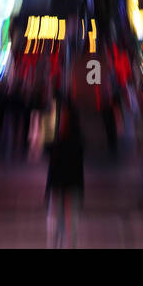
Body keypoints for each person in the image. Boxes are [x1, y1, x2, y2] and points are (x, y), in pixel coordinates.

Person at [45, 99, 83, 248]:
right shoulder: (73, 139)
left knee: (63, 221)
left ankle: (62, 245)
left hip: (65, 183)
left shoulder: (67, 139)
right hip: (64, 183)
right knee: (60, 220)